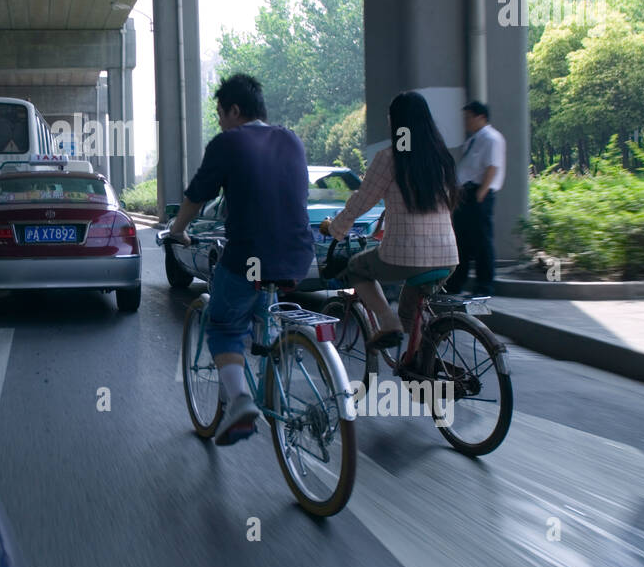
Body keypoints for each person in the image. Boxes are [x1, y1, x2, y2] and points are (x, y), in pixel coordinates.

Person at [169, 74, 315, 446]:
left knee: (223, 328)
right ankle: (272, 357)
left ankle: (240, 400)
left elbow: (196, 197)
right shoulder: (291, 139)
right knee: (258, 309)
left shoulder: (228, 143)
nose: (219, 121)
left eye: (220, 113)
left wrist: (176, 231)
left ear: (235, 110)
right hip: (298, 255)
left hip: (250, 256)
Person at [319, 91, 459, 353]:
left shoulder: (390, 158)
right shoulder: (442, 158)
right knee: (412, 310)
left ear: (397, 122)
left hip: (405, 255)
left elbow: (363, 200)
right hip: (448, 256)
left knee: (357, 268)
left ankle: (387, 320)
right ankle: (420, 364)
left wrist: (336, 228)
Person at [445, 101, 505, 297]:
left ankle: (484, 286)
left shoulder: (492, 138)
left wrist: (481, 193)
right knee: (461, 240)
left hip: (478, 193)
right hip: (465, 193)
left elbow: (492, 166)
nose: (465, 121)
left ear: (481, 116)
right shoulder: (472, 140)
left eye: (468, 117)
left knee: (481, 241)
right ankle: (456, 284)